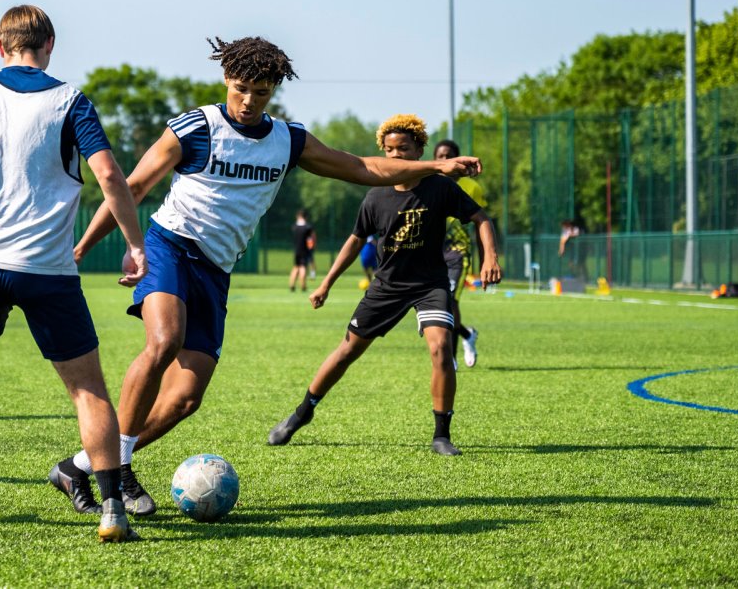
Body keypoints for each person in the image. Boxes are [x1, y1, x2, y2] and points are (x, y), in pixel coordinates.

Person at [49, 37, 484, 516]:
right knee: (164, 341)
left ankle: (78, 467)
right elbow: (132, 186)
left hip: (216, 268)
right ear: (225, 82)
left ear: (274, 89)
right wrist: (84, 247)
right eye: (241, 89)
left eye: (261, 91)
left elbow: (361, 166)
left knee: (185, 399)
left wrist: (436, 166)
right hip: (170, 244)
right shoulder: (197, 127)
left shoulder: (288, 140)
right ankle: (120, 473)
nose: (249, 100)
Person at [0, 5, 146, 543]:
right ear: (50, 46)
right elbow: (110, 175)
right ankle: (112, 510)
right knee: (88, 390)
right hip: (48, 268)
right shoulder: (71, 101)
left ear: (1, 46)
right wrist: (135, 245)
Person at [267, 114, 501, 456]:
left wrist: (490, 257)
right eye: (389, 150)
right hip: (387, 285)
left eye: (403, 148)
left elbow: (481, 218)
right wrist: (326, 283)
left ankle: (441, 435)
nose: (396, 156)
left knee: (440, 348)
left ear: (420, 149)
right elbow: (354, 241)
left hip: (430, 283)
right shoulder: (376, 197)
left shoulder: (439, 188)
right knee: (347, 351)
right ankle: (301, 414)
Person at [433, 139, 487, 367]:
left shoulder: (472, 187)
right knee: (438, 305)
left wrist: (486, 259)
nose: (445, 159)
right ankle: (467, 335)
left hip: (459, 253)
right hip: (434, 253)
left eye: (449, 155)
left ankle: (451, 359)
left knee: (450, 301)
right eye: (440, 155)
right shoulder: (428, 183)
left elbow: (480, 223)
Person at [288, 209, 315, 292]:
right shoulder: (307, 227)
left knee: (296, 266)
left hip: (296, 250)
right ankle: (303, 286)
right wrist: (311, 249)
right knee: (303, 267)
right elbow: (310, 240)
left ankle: (291, 285)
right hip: (304, 250)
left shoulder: (294, 227)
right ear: (305, 217)